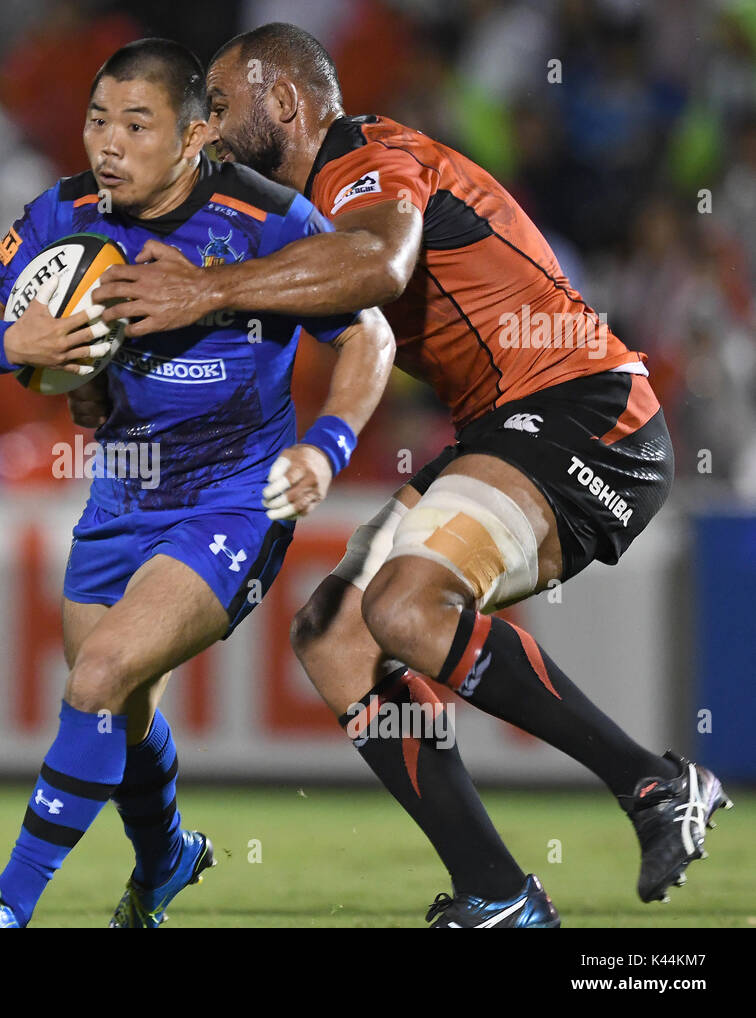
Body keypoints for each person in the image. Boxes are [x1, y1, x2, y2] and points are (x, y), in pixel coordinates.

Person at [94, 22, 732, 928]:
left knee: (404, 605)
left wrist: (204, 290)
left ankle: (657, 785)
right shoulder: (307, 217)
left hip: (589, 411)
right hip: (512, 424)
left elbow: (379, 264)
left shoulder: (365, 156)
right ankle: (499, 895)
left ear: (284, 102)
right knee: (337, 637)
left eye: (223, 106)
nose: (208, 126)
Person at [0, 37, 393, 928]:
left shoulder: (269, 219)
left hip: (235, 496)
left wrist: (327, 449)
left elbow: (369, 337)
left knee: (99, 674)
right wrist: (8, 344)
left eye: (136, 125)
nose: (108, 143)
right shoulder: (63, 212)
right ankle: (166, 861)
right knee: (122, 712)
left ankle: (7, 904)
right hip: (120, 495)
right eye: (99, 119)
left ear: (192, 139)